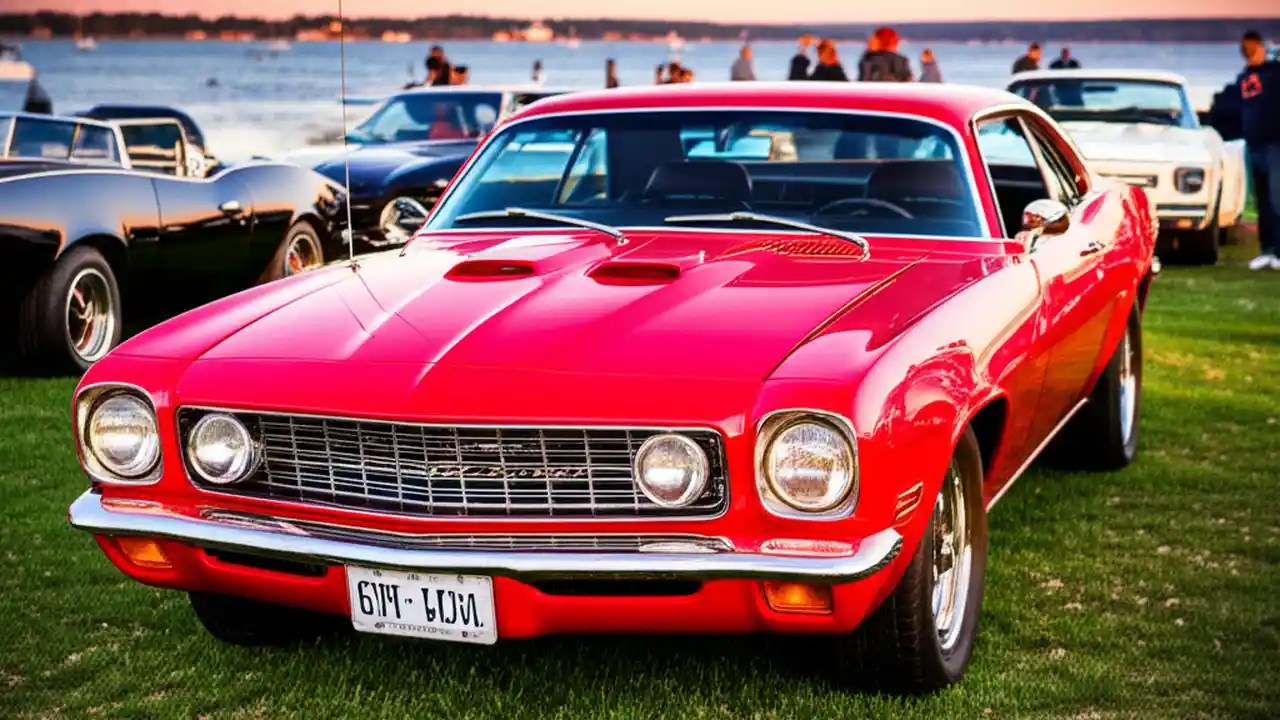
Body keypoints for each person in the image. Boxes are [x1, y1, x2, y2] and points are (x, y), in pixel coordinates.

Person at [1234, 30, 1280, 270]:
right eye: (1246, 51)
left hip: (1275, 144)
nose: (1249, 54)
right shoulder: (1244, 78)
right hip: (1254, 144)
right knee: (1262, 199)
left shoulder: (1274, 73)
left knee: (1276, 198)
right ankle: (1267, 250)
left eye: (1253, 49)